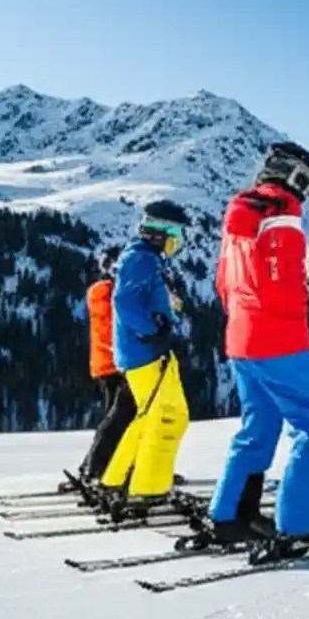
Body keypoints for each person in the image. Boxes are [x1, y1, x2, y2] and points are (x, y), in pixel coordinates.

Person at [204, 141, 309, 548]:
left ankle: (230, 516)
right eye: (307, 182)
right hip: (279, 339)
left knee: (258, 426)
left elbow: (224, 283)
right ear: (294, 176)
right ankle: (301, 527)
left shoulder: (242, 214)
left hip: (240, 338)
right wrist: (302, 308)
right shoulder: (281, 214)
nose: (307, 192)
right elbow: (281, 285)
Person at [97, 199, 193, 516]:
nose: (179, 242)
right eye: (176, 234)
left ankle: (116, 479)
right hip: (144, 352)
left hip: (144, 350)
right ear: (160, 232)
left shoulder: (143, 257)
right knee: (168, 416)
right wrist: (150, 330)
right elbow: (124, 301)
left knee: (149, 415)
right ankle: (147, 489)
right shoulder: (142, 259)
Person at [76, 246, 138, 484]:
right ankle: (96, 467)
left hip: (113, 363)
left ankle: (109, 466)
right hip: (115, 364)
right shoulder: (105, 292)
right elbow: (113, 326)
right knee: (119, 416)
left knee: (120, 416)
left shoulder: (107, 291)